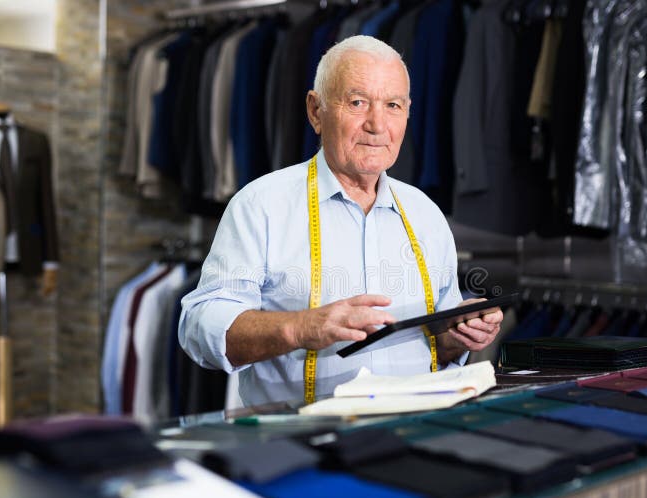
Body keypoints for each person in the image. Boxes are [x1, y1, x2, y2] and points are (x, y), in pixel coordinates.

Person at [179, 35, 503, 406]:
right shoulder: (261, 205)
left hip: (410, 436)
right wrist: (300, 327)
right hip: (297, 441)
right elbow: (198, 329)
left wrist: (457, 335)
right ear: (316, 111)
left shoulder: (426, 214)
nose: (377, 125)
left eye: (393, 105)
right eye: (358, 102)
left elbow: (433, 348)